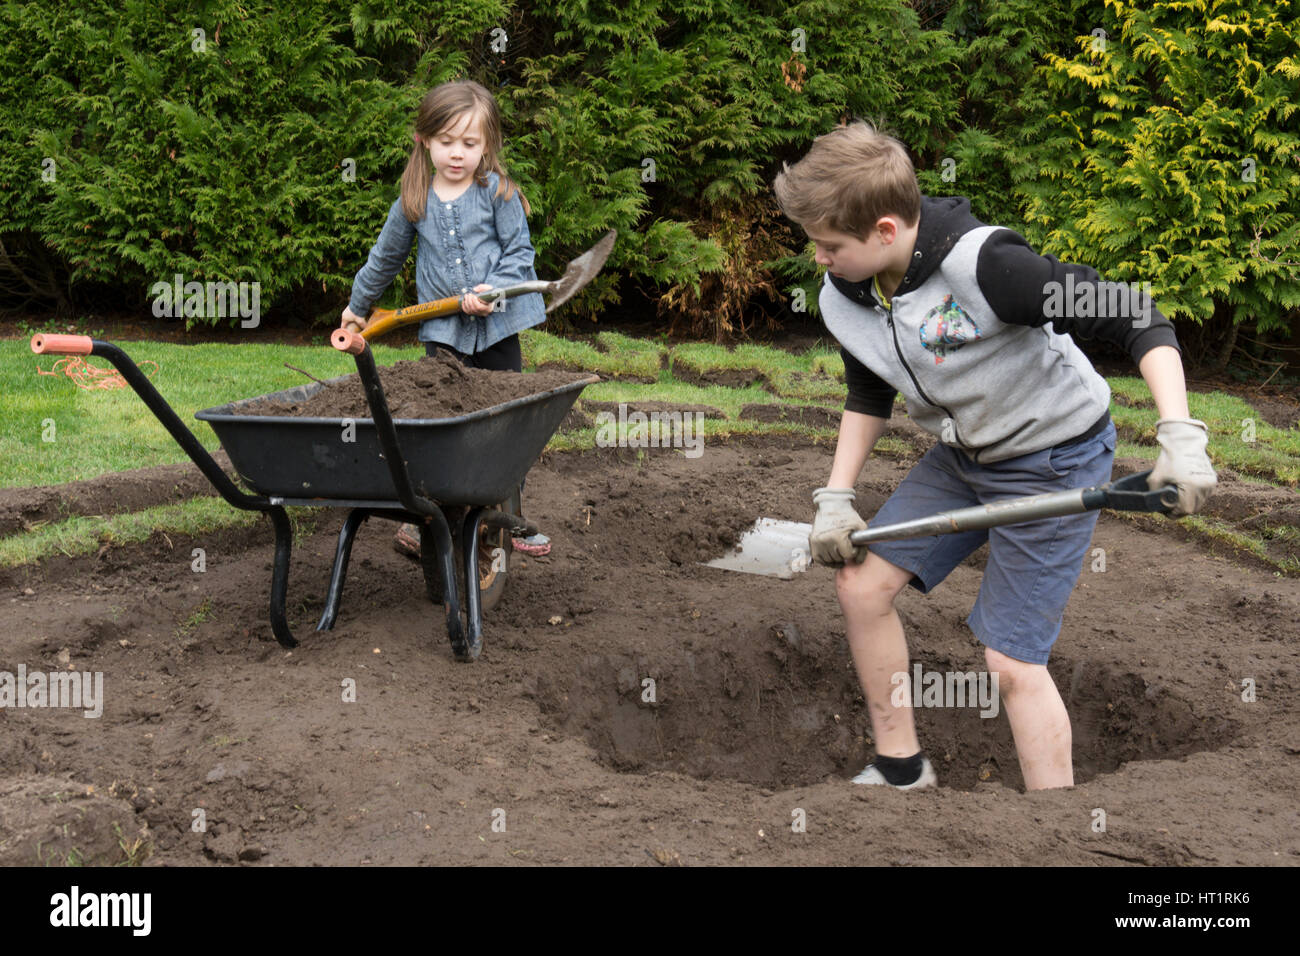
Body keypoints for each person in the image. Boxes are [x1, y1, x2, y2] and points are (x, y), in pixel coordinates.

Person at [772, 122, 1217, 791]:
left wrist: (1180, 436)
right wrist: (836, 496)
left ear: (885, 231)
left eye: (830, 245)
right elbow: (869, 392)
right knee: (862, 586)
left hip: (1057, 454)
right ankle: (901, 767)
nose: (819, 260)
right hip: (966, 455)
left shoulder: (988, 268)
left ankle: (1056, 824)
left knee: (1010, 660)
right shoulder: (848, 295)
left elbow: (1135, 315)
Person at [341, 79, 552, 559]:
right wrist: (356, 308)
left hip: (498, 328)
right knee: (443, 427)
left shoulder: (497, 191)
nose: (457, 153)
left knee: (507, 426)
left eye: (470, 143)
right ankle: (429, 520)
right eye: (446, 142)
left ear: (487, 145)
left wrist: (493, 291)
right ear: (425, 140)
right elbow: (384, 259)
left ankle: (509, 517)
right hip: (444, 331)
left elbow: (520, 253)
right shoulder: (413, 200)